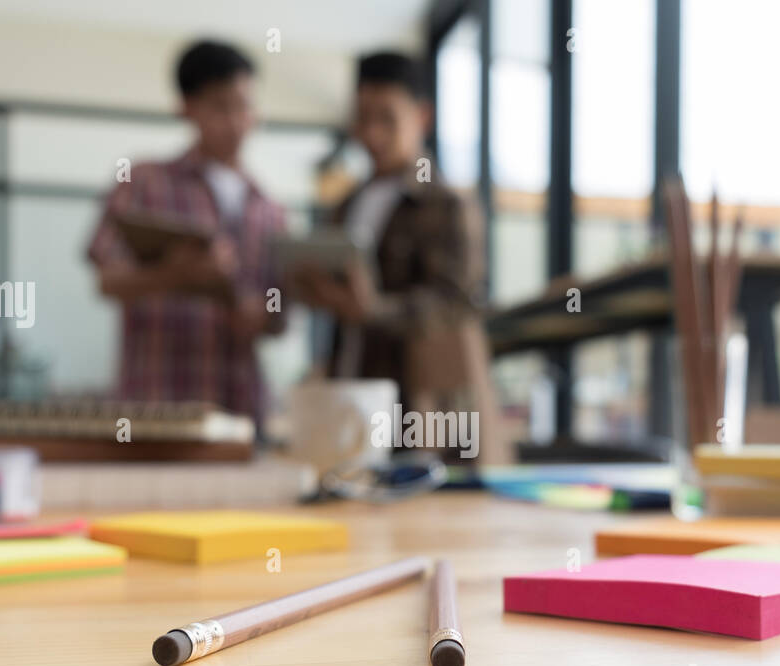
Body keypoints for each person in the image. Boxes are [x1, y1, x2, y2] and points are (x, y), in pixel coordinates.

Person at [296, 51, 494, 444]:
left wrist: (373, 309)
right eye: (362, 117)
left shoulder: (448, 204)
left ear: (422, 116)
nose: (371, 133)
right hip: (353, 387)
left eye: (386, 118)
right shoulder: (346, 204)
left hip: (423, 402)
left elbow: (457, 301)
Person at [87, 40, 285, 423]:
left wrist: (260, 315)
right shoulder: (144, 183)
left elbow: (280, 312)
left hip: (241, 414)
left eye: (244, 106)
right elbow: (106, 280)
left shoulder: (270, 209)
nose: (235, 121)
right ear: (186, 108)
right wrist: (175, 275)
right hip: (156, 410)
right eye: (220, 107)